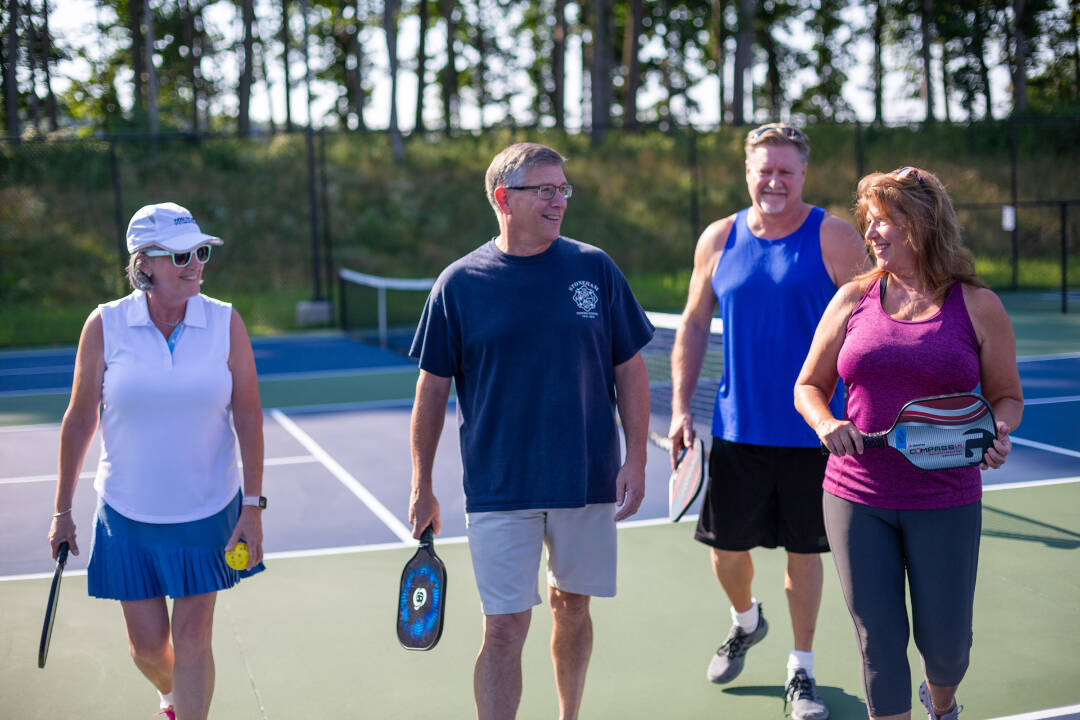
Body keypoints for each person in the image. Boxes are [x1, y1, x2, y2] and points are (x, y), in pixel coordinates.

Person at [408, 142, 653, 720]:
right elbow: (431, 388)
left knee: (572, 606)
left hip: (586, 479)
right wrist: (422, 483)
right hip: (499, 487)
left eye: (562, 188)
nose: (558, 199)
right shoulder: (458, 284)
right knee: (504, 627)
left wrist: (636, 457)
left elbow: (631, 368)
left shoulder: (595, 268)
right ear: (503, 199)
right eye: (544, 189)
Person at [794, 166, 1023, 720]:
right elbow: (808, 387)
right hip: (855, 496)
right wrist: (826, 424)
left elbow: (1006, 397)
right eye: (867, 221)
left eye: (884, 222)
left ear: (922, 225)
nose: (870, 233)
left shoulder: (977, 304)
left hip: (946, 498)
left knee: (946, 647)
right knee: (878, 642)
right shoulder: (853, 299)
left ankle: (941, 702)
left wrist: (999, 433)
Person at [669, 122, 869, 719]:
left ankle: (800, 671)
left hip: (815, 431)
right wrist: (681, 406)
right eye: (765, 170)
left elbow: (870, 324)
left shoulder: (834, 238)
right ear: (748, 173)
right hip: (737, 430)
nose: (775, 181)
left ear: (804, 174)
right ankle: (745, 620)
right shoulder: (718, 239)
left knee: (803, 557)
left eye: (786, 170)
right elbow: (693, 323)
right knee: (727, 552)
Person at [48, 202, 266, 720]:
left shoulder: (225, 322)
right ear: (144, 263)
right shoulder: (104, 326)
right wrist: (61, 510)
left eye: (201, 252)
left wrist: (253, 506)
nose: (197, 264)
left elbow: (251, 415)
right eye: (182, 256)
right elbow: (80, 419)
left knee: (194, 636)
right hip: (127, 515)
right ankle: (172, 697)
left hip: (208, 511)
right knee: (148, 648)